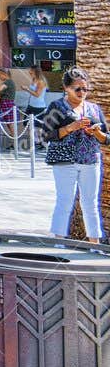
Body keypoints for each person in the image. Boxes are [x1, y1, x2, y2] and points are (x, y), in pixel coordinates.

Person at [43, 68, 108, 241]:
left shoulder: (93, 109)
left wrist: (96, 133)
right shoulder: (56, 107)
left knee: (90, 204)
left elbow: (106, 138)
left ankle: (94, 243)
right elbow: (47, 134)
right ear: (66, 88)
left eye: (85, 89)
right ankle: (59, 242)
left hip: (90, 160)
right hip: (65, 161)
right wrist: (70, 128)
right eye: (77, 89)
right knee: (64, 201)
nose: (82, 92)